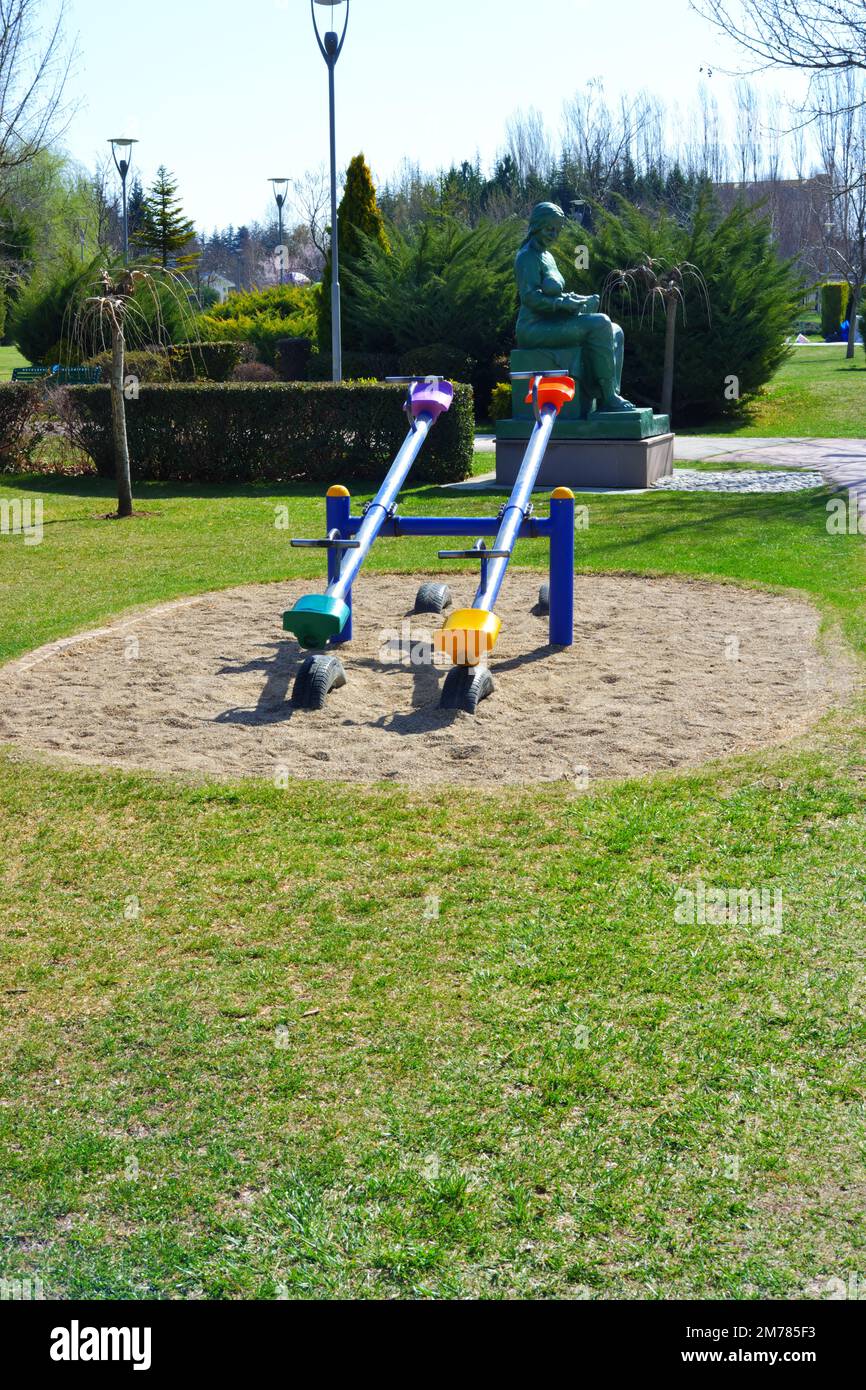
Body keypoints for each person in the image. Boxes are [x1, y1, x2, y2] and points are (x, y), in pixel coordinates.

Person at [515, 202, 636, 413]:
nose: (554, 234)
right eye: (549, 229)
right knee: (600, 323)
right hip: (533, 328)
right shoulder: (527, 256)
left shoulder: (547, 256)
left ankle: (608, 393)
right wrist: (563, 304)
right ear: (536, 226)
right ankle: (609, 397)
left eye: (557, 230)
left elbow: (555, 293)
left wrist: (580, 299)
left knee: (615, 331)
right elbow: (530, 298)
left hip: (552, 322)